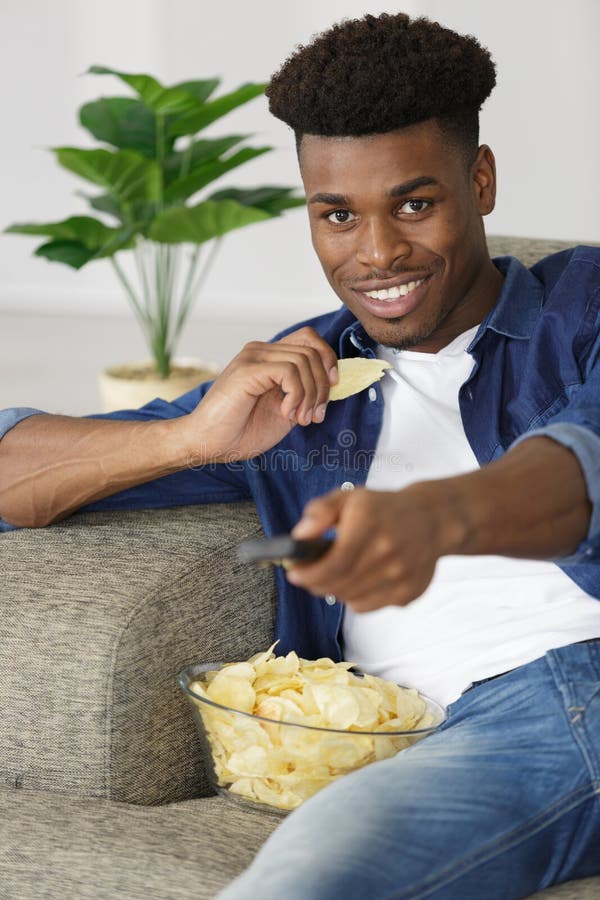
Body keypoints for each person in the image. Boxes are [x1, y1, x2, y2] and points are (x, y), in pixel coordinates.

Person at [1, 11, 599, 898]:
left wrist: (426, 522)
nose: (378, 252)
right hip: (399, 732)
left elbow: (579, 467)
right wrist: (191, 436)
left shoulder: (579, 305)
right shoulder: (303, 379)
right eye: (336, 215)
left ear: (481, 179)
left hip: (572, 680)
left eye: (414, 203)